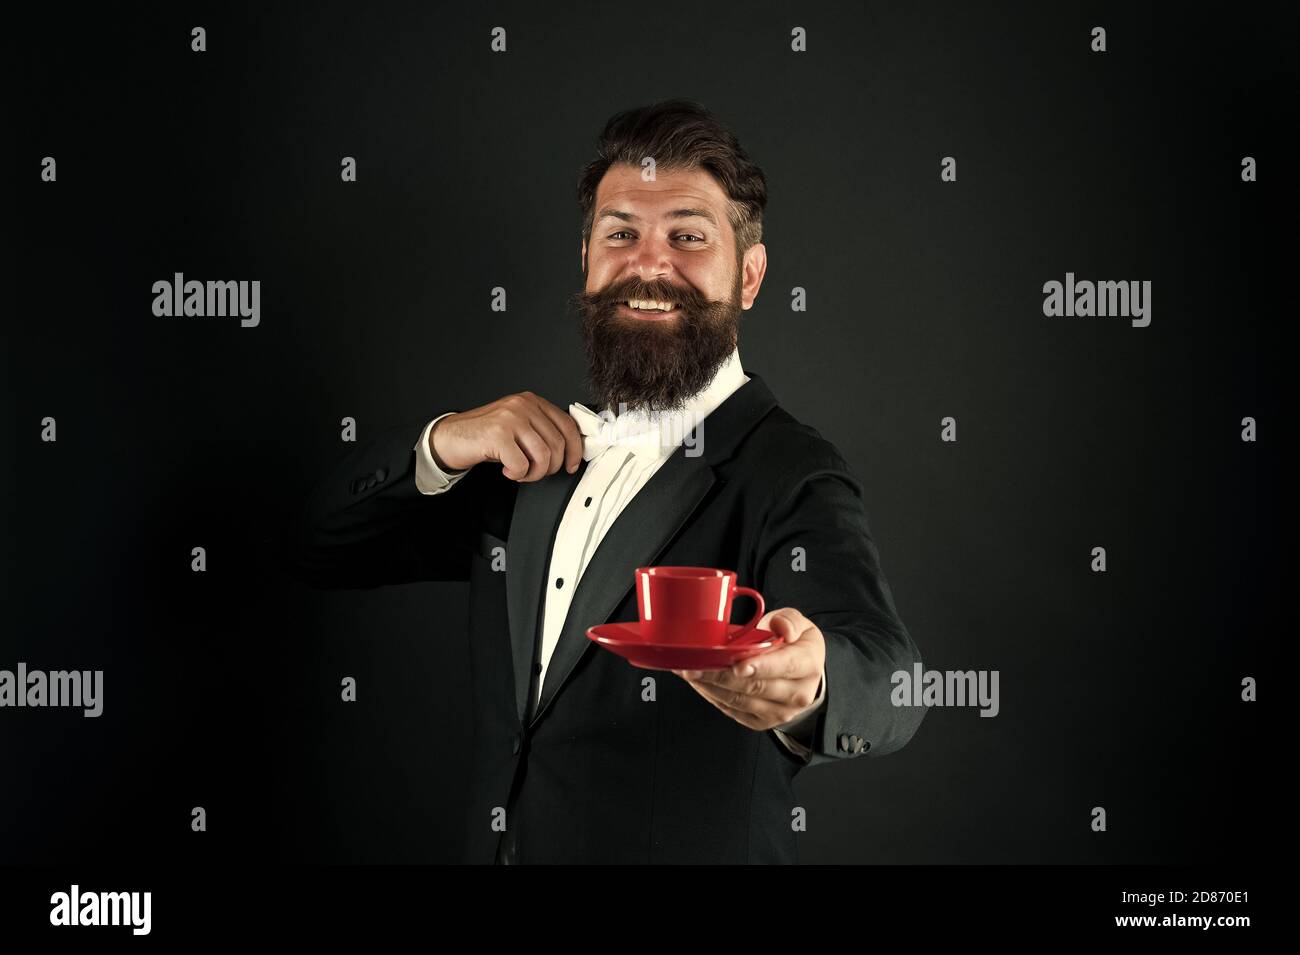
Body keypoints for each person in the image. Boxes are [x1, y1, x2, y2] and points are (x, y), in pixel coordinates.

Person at [293, 99, 925, 864]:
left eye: (688, 236)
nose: (649, 264)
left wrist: (815, 680)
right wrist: (444, 441)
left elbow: (892, 680)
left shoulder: (788, 469)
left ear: (750, 276)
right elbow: (319, 544)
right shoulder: (523, 457)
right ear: (587, 259)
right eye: (621, 232)